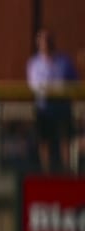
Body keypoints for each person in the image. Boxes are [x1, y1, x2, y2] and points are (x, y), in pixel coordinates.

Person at [27, 28, 79, 173]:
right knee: (44, 141)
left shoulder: (64, 61)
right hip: (44, 109)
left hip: (62, 109)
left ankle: (67, 172)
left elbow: (75, 82)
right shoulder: (34, 63)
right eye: (42, 40)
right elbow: (34, 86)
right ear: (38, 43)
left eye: (48, 40)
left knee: (65, 141)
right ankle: (47, 172)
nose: (45, 43)